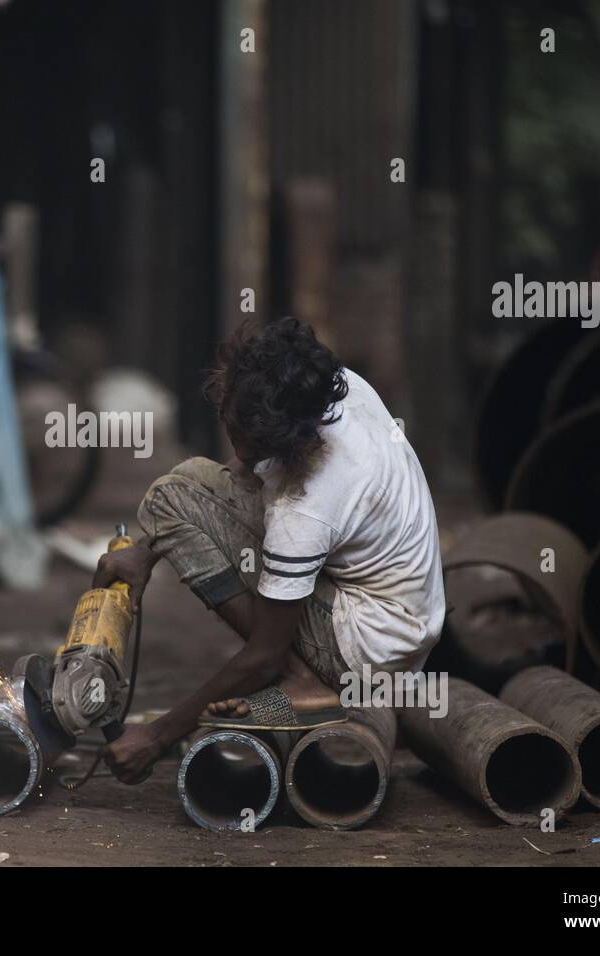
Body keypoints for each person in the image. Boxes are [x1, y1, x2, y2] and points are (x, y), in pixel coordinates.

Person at [93, 317, 446, 784]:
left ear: (283, 442)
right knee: (184, 486)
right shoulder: (335, 390)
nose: (231, 431)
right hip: (406, 620)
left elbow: (262, 655)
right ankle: (302, 670)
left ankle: (304, 678)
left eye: (245, 434)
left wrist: (157, 735)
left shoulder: (304, 505)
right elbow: (237, 475)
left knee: (169, 498)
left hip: (364, 651)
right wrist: (146, 550)